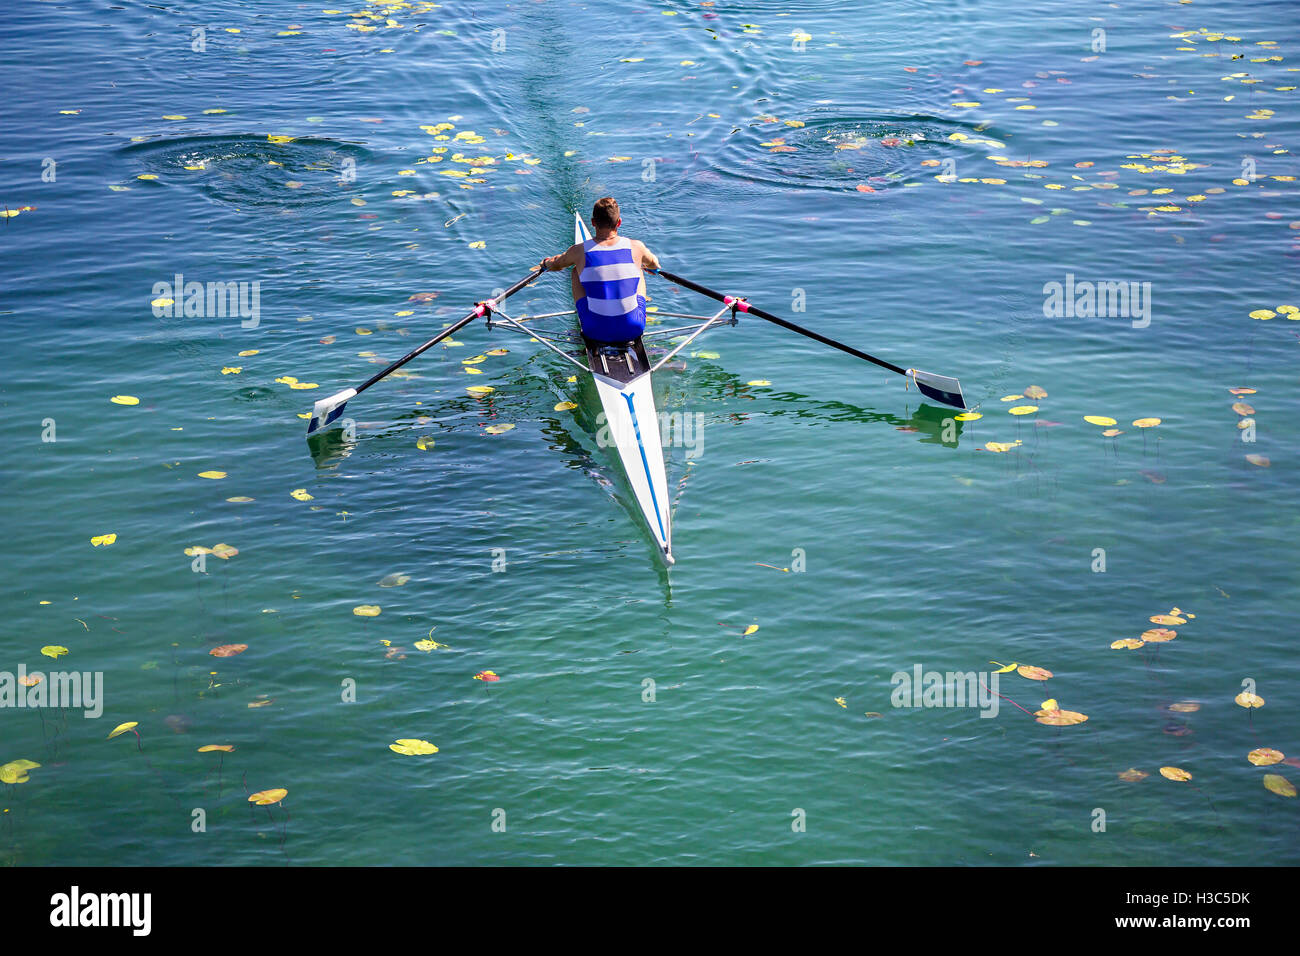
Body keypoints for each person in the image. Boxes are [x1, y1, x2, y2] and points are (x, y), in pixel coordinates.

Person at [538, 197, 661, 344]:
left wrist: (545, 263)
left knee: (576, 270)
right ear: (619, 222)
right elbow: (655, 264)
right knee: (639, 267)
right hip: (633, 328)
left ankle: (596, 314)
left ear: (593, 223)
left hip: (594, 331)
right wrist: (652, 268)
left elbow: (557, 264)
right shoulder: (636, 247)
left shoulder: (579, 250)